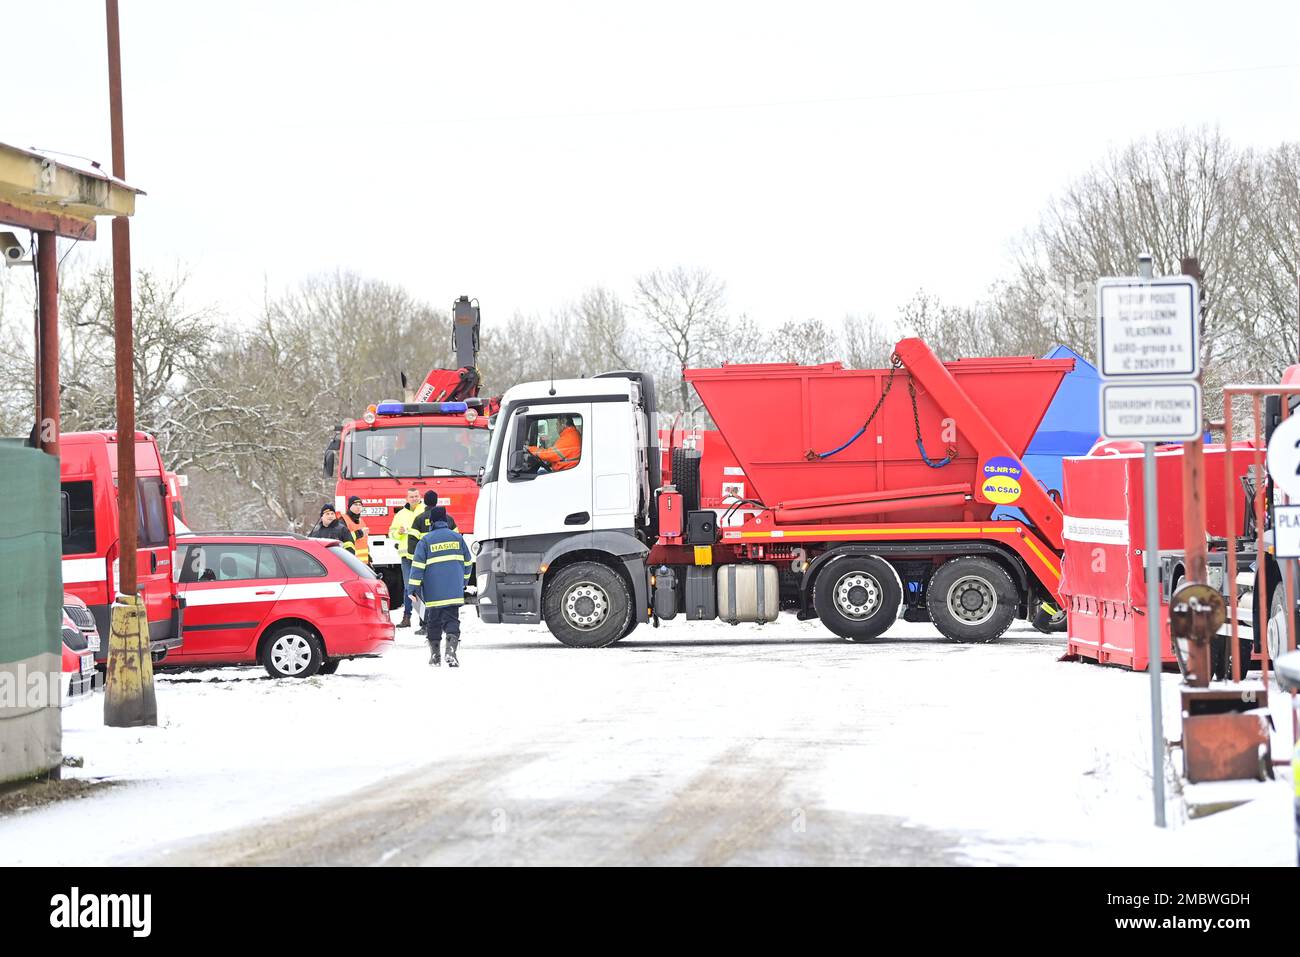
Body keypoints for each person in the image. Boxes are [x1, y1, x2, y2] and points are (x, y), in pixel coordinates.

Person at [407, 505, 472, 667]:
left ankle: (435, 655)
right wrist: (462, 582)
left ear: (432, 521)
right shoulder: (457, 538)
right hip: (453, 591)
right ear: (445, 520)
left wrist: (412, 588)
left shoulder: (426, 540)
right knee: (452, 620)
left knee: (433, 621)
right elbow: (468, 562)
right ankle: (451, 651)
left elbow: (417, 567)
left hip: (433, 592)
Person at [389, 488, 425, 629]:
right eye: (411, 496)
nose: (414, 498)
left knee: (421, 586)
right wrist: (398, 532)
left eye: (416, 496)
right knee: (408, 587)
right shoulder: (400, 514)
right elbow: (391, 533)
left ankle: (423, 618)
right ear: (407, 498)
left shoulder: (424, 510)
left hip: (422, 555)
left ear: (419, 496)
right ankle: (407, 617)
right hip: (406, 557)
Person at [341, 495, 372, 565]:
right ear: (349, 506)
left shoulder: (361, 521)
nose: (358, 507)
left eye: (360, 505)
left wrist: (368, 556)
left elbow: (363, 542)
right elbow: (342, 539)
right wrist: (359, 533)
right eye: (355, 504)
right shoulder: (343, 520)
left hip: (363, 562)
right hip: (350, 561)